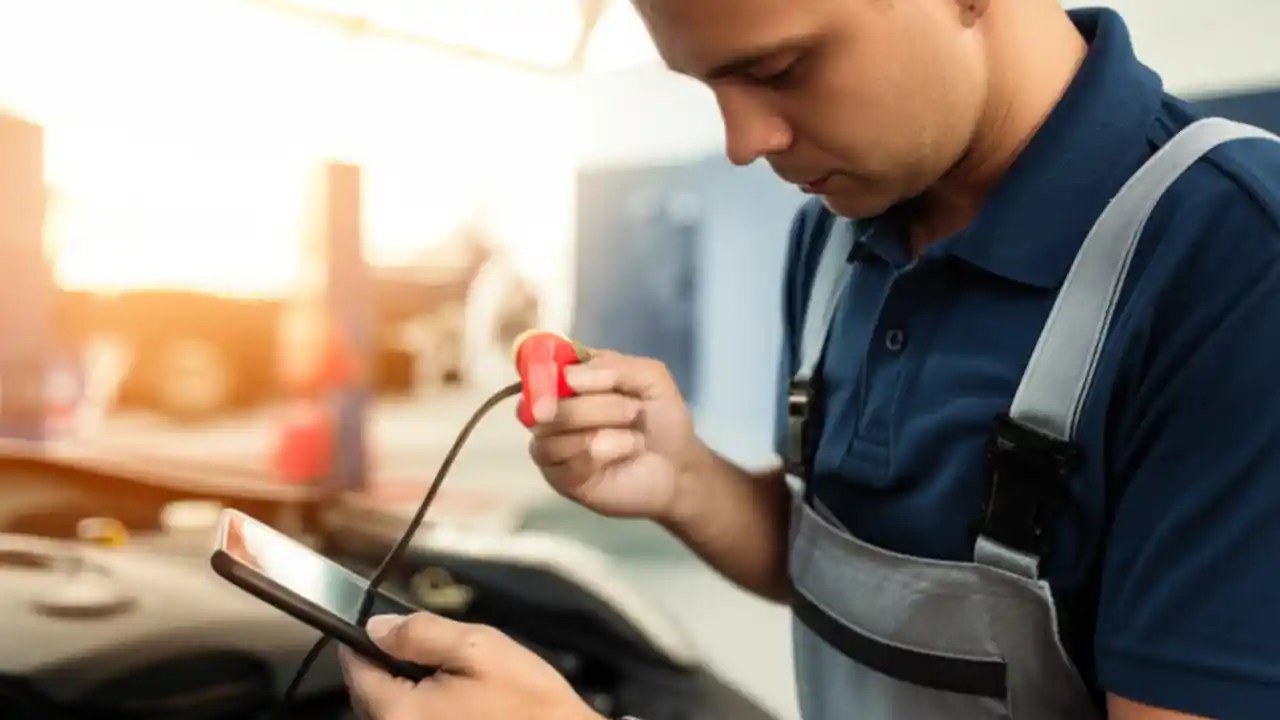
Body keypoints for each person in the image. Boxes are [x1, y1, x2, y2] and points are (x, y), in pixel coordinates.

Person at [338, 1, 1280, 718]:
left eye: (783, 68)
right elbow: (868, 590)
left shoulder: (1238, 267)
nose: (745, 143)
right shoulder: (833, 238)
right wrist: (686, 482)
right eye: (708, 89)